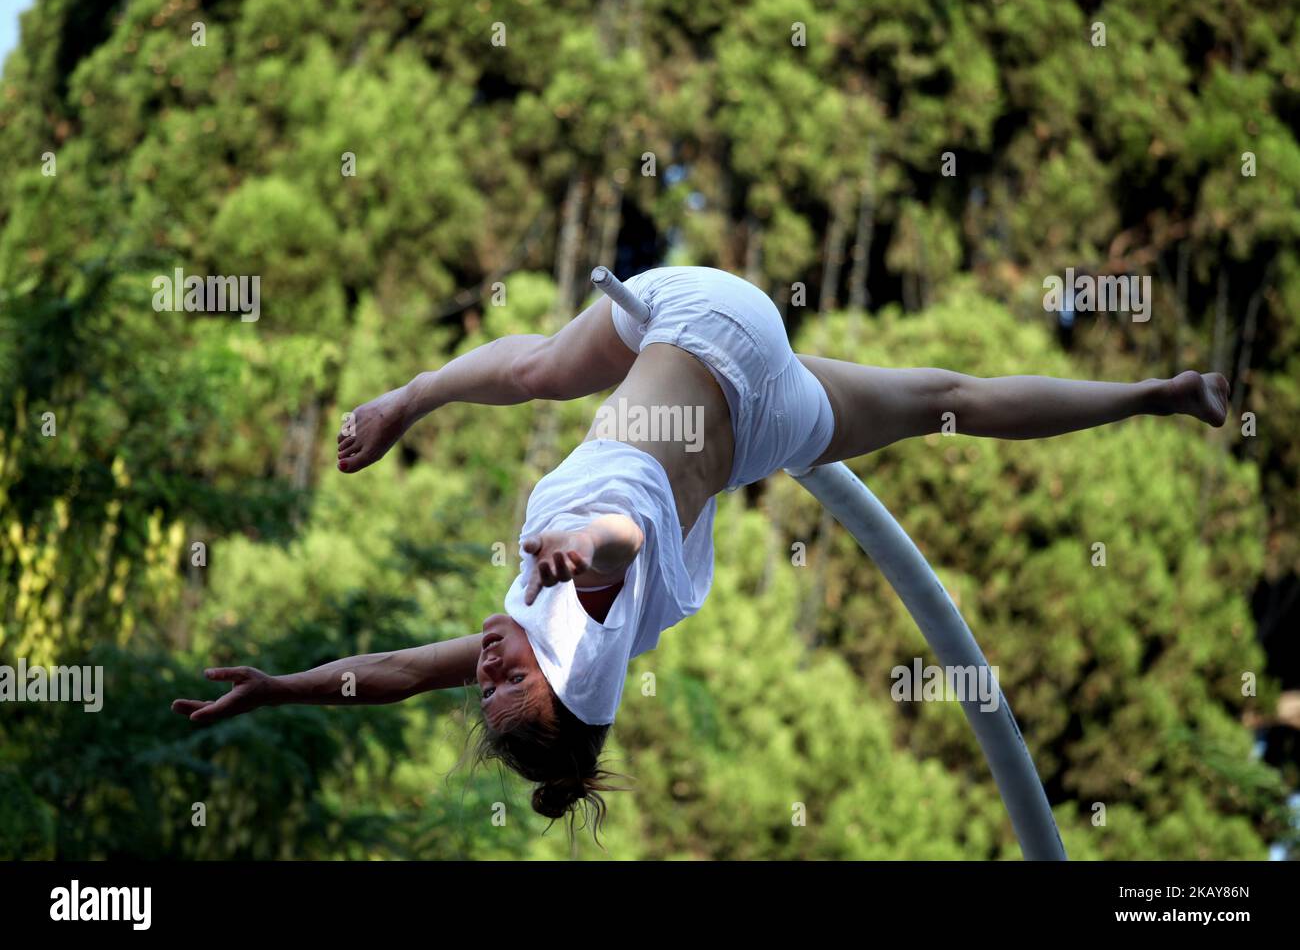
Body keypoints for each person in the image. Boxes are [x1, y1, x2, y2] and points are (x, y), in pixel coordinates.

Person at [173, 266, 1229, 834]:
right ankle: (412, 395)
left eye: (483, 683)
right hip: (706, 330)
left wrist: (278, 689)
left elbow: (398, 672)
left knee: (947, 400)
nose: (485, 664)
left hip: (760, 423)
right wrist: (578, 540)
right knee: (545, 367)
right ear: (564, 683)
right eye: (506, 683)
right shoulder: (583, 616)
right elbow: (619, 544)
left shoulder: (567, 653)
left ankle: (1159, 394)